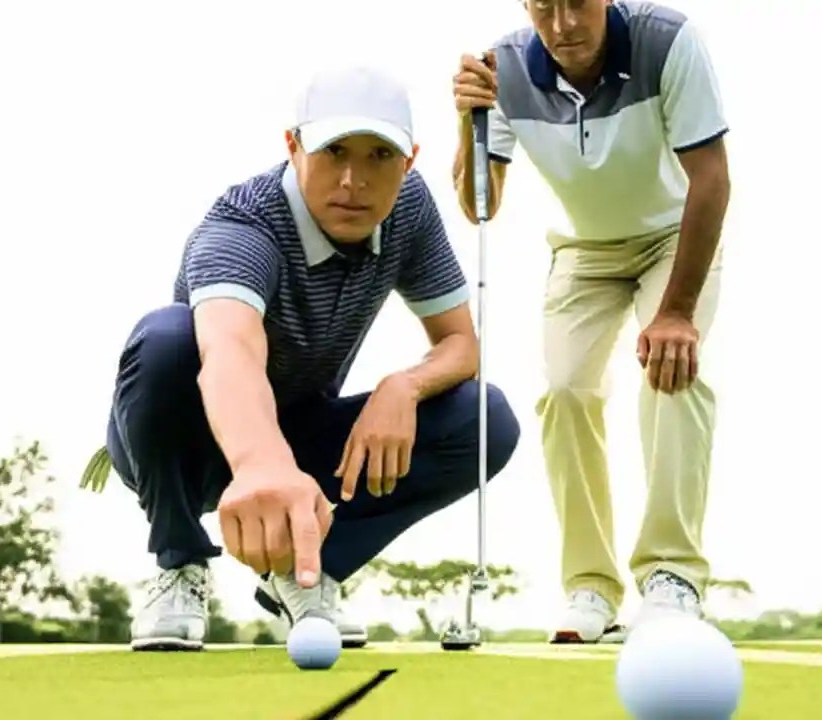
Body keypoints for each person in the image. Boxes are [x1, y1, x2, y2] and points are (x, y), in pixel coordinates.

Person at [80, 64, 521, 651]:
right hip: (187, 439)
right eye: (334, 150)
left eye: (379, 157)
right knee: (169, 337)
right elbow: (228, 351)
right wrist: (263, 466)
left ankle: (307, 572)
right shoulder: (244, 222)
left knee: (484, 417)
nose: (353, 180)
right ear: (293, 146)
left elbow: (461, 343)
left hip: (300, 434)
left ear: (410, 160)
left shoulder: (408, 209)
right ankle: (179, 563)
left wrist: (405, 386)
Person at [451, 0, 731, 643]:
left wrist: (678, 312)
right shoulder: (508, 67)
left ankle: (672, 576)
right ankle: (590, 588)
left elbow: (712, 180)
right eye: (544, 7)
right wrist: (467, 120)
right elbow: (481, 206)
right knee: (565, 391)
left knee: (672, 372)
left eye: (577, 2)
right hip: (584, 251)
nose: (563, 24)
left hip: (675, 236)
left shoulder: (669, 41)